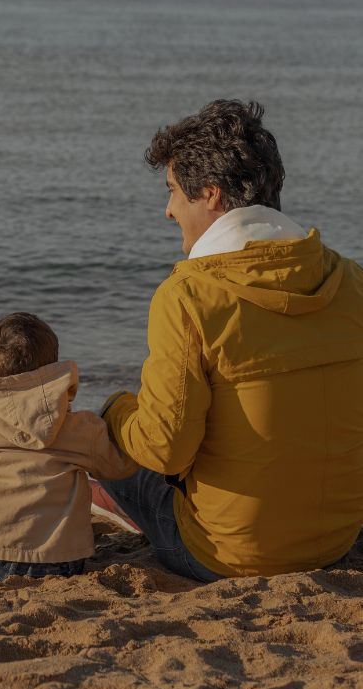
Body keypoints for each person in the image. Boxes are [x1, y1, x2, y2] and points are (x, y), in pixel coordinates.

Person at [95, 100, 363, 582]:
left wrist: (115, 411)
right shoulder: (351, 280)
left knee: (119, 428)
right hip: (337, 537)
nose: (168, 209)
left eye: (174, 191)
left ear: (211, 195)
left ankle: (111, 498)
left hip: (230, 554)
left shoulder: (188, 296)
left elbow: (165, 451)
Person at [0, 312, 138, 582]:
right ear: (55, 370)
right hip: (62, 562)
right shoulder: (80, 429)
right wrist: (122, 411)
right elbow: (119, 464)